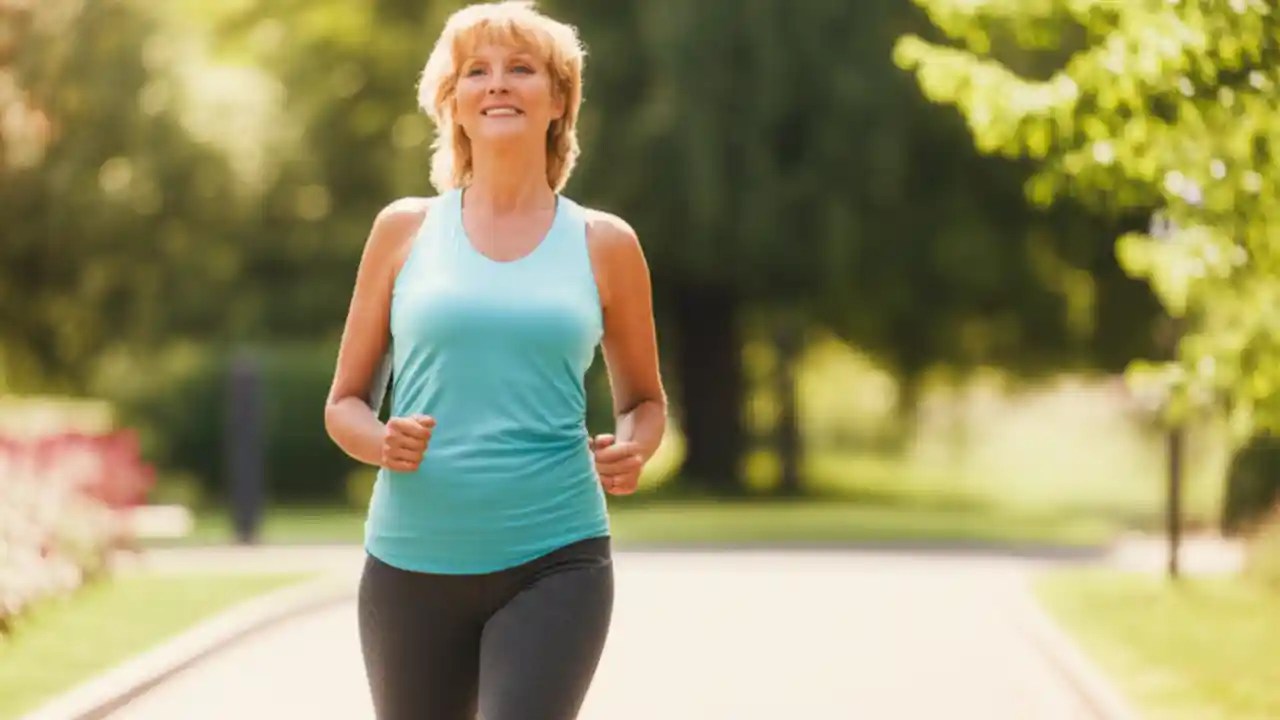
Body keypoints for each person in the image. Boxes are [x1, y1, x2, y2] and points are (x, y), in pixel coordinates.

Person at [323, 2, 667, 719]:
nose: (498, 83)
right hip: (411, 561)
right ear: (452, 102)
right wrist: (380, 441)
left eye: (521, 68)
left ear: (559, 98)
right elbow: (345, 403)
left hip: (557, 558)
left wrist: (633, 447)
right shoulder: (402, 230)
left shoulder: (605, 243)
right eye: (476, 71)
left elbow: (644, 401)